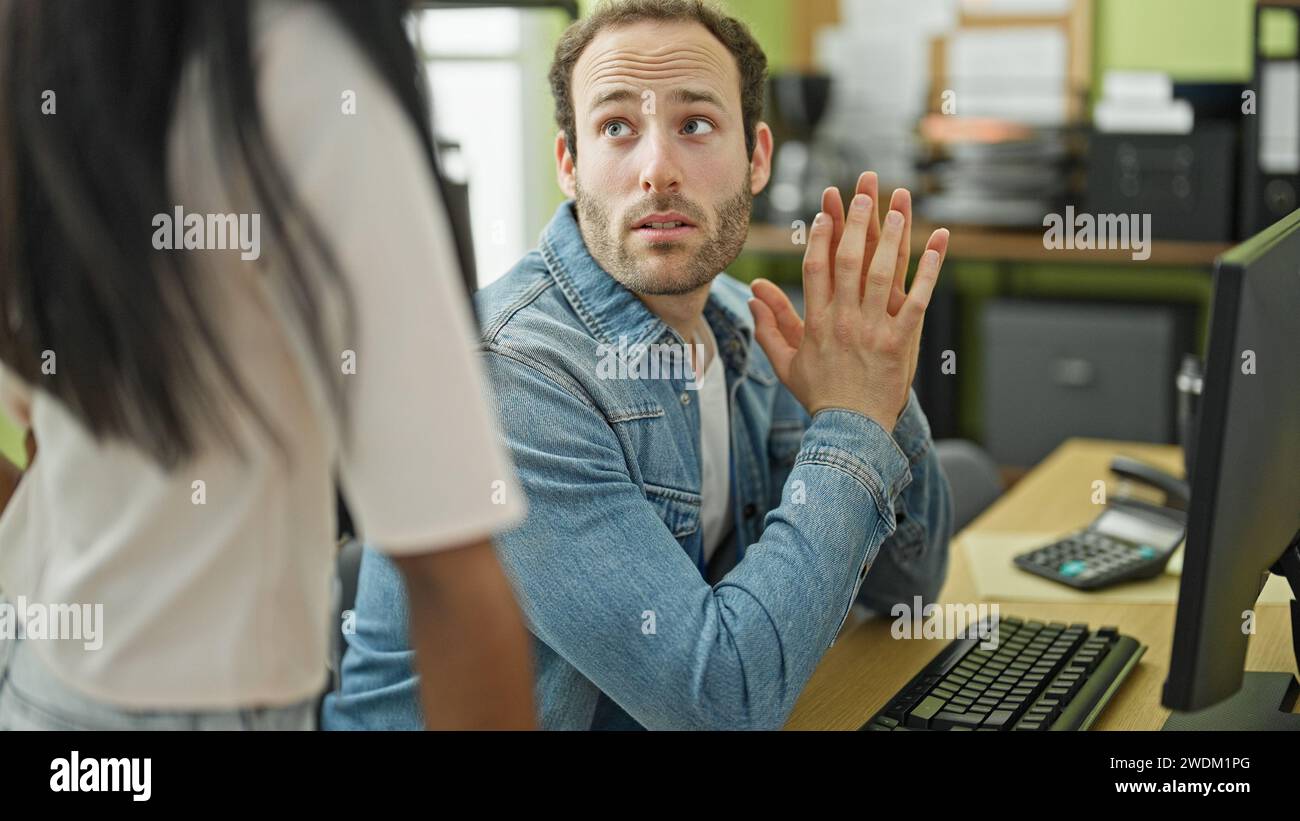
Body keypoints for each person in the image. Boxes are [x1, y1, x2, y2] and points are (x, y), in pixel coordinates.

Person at [325, 0, 952, 731]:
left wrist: (877, 389)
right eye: (616, 127)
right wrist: (850, 427)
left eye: (694, 125)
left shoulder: (750, 324)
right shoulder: (508, 376)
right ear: (570, 163)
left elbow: (909, 585)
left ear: (757, 157)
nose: (657, 169)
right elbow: (718, 702)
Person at [0, 0, 534, 730]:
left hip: (37, 677)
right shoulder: (301, 72)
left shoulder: (38, 58)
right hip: (196, 704)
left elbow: (41, 441)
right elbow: (453, 580)